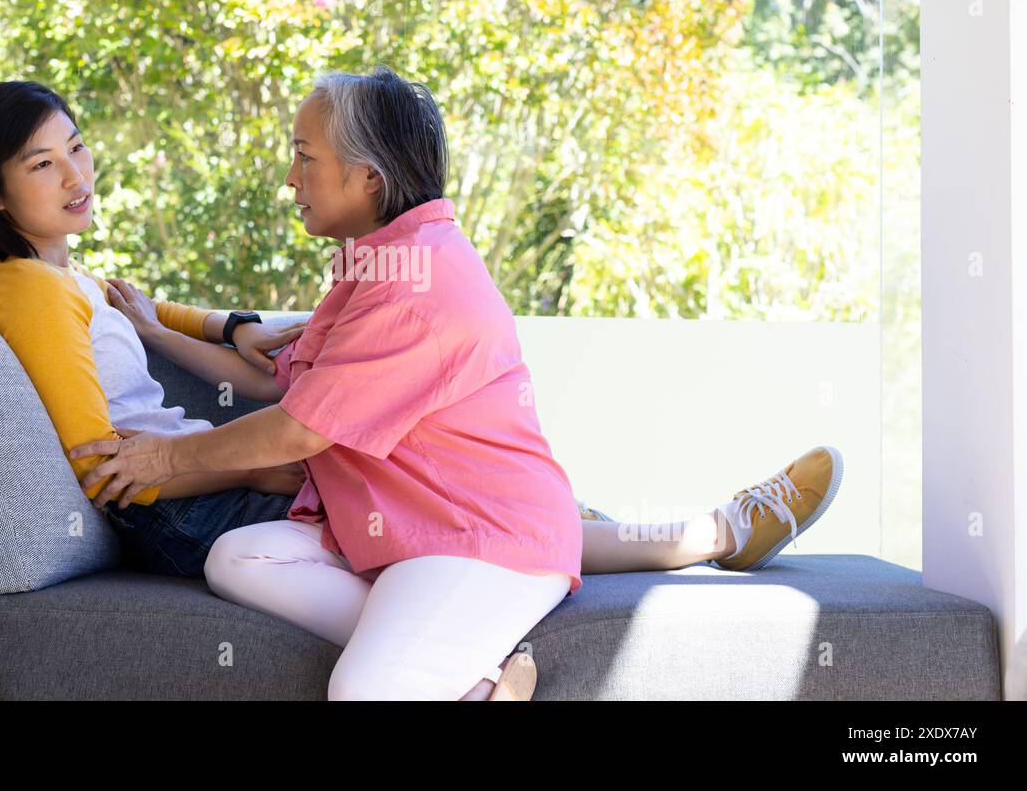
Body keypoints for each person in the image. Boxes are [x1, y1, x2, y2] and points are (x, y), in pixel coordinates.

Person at [67, 66, 848, 700]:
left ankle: (436, 658)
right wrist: (155, 326)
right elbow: (274, 367)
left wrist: (163, 460)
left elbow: (300, 426)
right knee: (236, 558)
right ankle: (462, 673)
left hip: (478, 545)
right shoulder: (377, 262)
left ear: (367, 179)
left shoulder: (417, 284)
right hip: (420, 528)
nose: (289, 176)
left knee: (363, 691)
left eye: (305, 156)